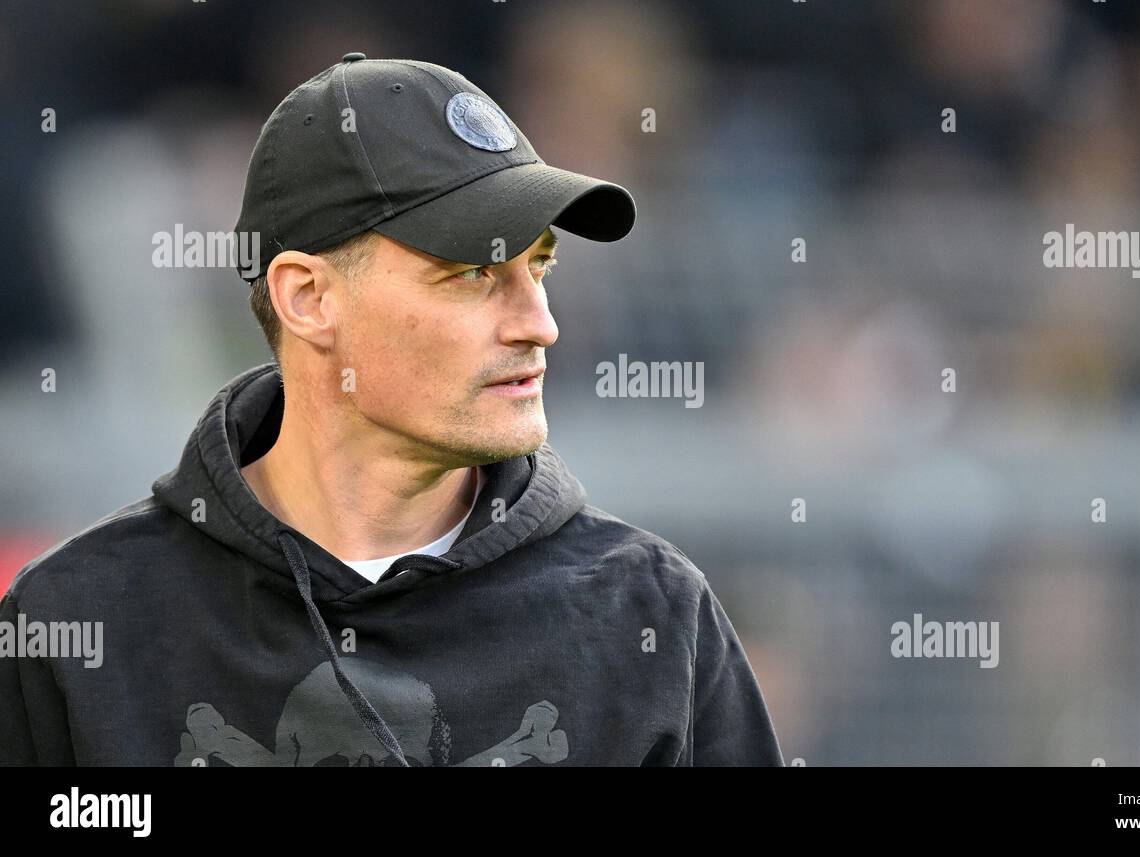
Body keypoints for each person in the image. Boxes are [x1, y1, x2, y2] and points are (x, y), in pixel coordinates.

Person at [0, 54, 783, 766]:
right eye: (475, 273)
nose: (539, 322)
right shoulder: (76, 623)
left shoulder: (653, 618)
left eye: (539, 267)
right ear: (308, 298)